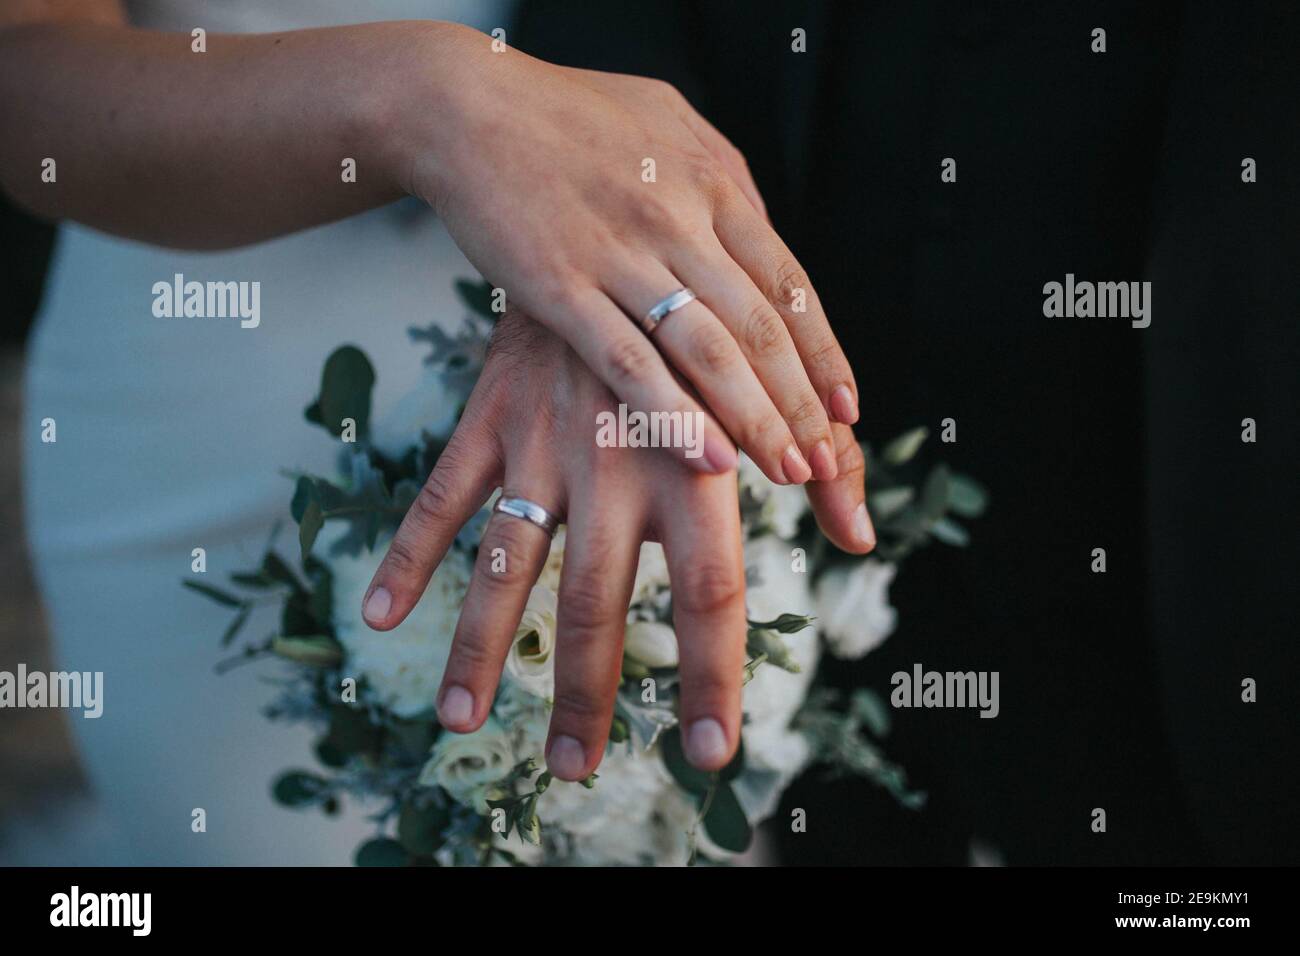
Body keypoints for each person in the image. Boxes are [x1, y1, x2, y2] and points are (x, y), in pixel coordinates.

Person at [2, 0, 871, 864]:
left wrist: (616, 295)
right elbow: (20, 62)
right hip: (213, 348)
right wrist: (427, 97)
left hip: (656, 300)